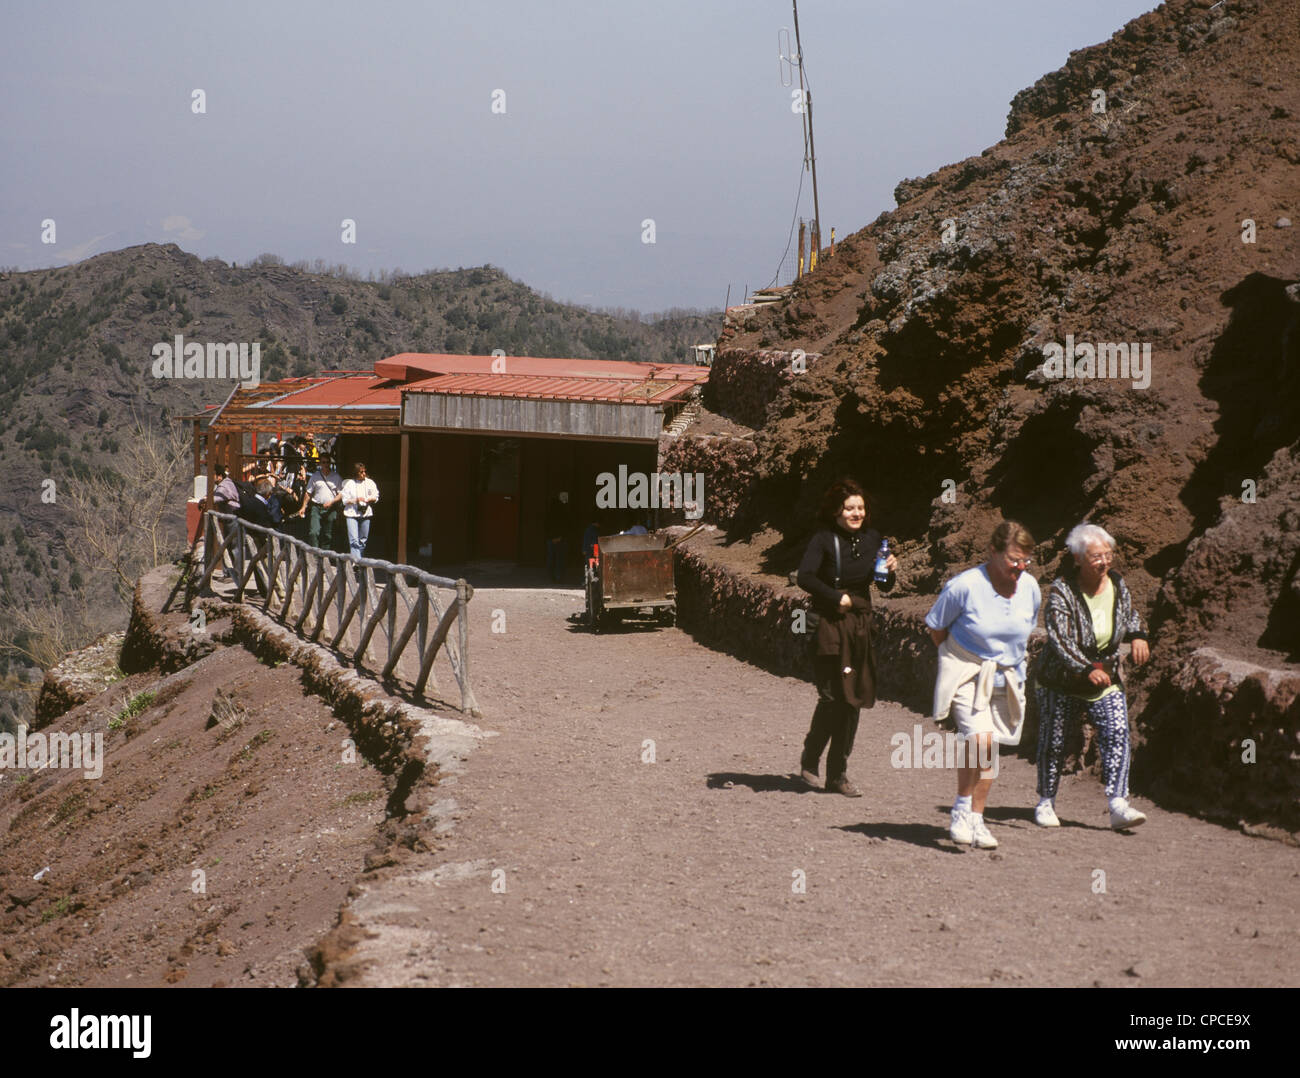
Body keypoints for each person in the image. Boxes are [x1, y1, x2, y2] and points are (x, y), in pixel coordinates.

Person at [925, 521, 1040, 849]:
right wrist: (958, 662)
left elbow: (1024, 630)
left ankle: (977, 818)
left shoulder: (1030, 588)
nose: (1019, 568)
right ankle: (961, 809)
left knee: (992, 748)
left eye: (1025, 561)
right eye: (1013, 560)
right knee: (981, 739)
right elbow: (936, 627)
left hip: (1008, 677)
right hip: (968, 672)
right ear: (993, 551)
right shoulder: (964, 586)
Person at [1033, 523, 1150, 830]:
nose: (1104, 561)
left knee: (1117, 733)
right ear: (1078, 559)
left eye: (1108, 554)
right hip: (1062, 678)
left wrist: (1138, 635)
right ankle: (1046, 801)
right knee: (1055, 741)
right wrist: (1086, 668)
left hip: (1105, 675)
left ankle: (1118, 804)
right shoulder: (1061, 591)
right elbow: (1060, 639)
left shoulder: (1117, 583)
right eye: (1096, 556)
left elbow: (1128, 614)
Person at [795, 478, 897, 797]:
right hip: (827, 623)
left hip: (859, 625)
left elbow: (884, 586)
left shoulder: (874, 540)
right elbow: (805, 577)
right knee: (831, 696)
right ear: (837, 511)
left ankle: (837, 774)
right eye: (849, 508)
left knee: (852, 699)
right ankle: (811, 757)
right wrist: (834, 597)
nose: (856, 513)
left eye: (860, 508)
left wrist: (890, 569)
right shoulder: (823, 539)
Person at [341, 462, 380, 560]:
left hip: (365, 513)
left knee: (363, 540)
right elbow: (344, 500)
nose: (364, 474)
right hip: (352, 513)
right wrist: (356, 500)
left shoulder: (370, 483)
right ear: (356, 473)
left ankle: (359, 559)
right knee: (354, 539)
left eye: (364, 472)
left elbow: (376, 496)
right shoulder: (350, 484)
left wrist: (369, 499)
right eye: (361, 472)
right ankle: (356, 562)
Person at [307, 456, 344, 551]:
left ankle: (325, 555)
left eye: (328, 462)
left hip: (331, 508)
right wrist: (303, 507)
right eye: (323, 462)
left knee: (328, 534)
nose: (326, 464)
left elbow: (341, 494)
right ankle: (314, 553)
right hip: (317, 506)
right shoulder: (315, 476)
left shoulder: (336, 477)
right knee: (314, 532)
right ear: (320, 464)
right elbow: (308, 492)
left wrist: (332, 502)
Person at [544, 492, 572, 583]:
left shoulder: (548, 514)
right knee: (560, 559)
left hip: (551, 539)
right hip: (561, 539)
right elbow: (566, 526)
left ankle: (551, 577)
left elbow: (546, 527)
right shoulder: (563, 514)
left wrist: (552, 538)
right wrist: (561, 537)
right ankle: (559, 577)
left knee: (551, 558)